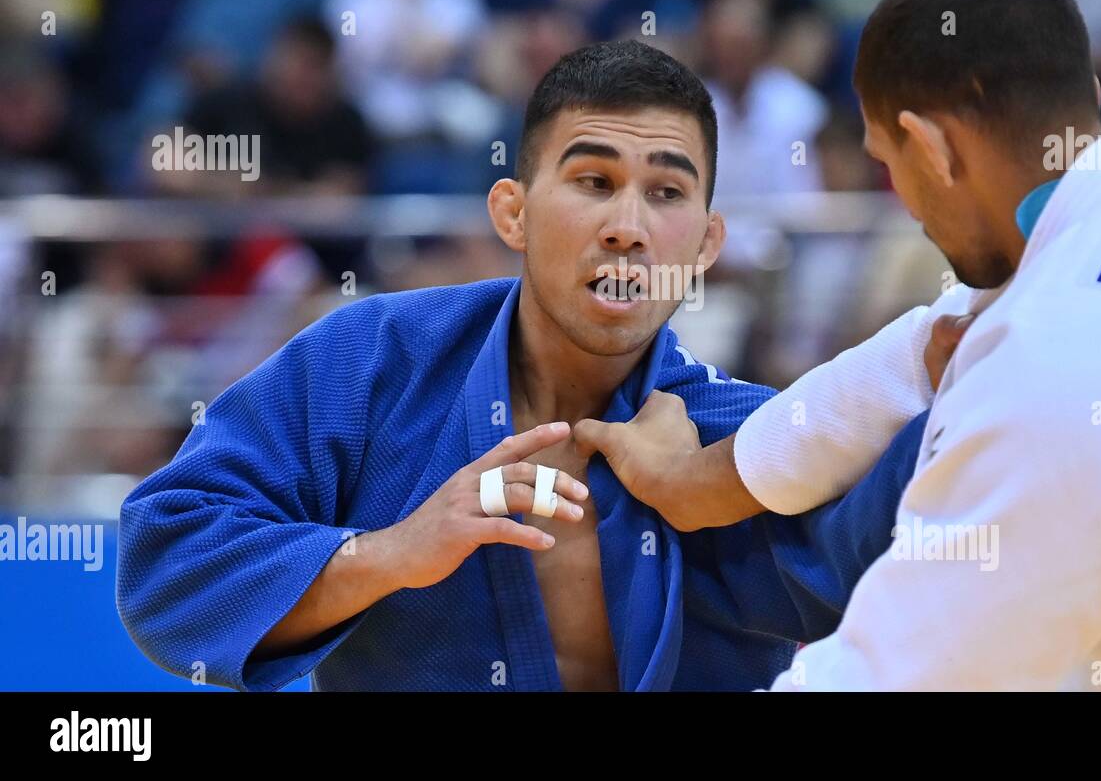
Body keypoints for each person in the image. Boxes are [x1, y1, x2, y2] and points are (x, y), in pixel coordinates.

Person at [116, 40, 969, 692]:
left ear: (707, 245)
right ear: (512, 213)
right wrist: (390, 554)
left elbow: (930, 547)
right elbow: (165, 559)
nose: (628, 225)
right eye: (593, 181)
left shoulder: (741, 441)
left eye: (667, 193)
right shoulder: (376, 364)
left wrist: (965, 372)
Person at [575, 0, 1101, 690]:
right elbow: (929, 341)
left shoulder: (1057, 375)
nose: (905, 202)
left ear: (931, 147)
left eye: (891, 163)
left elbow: (884, 677)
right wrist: (692, 480)